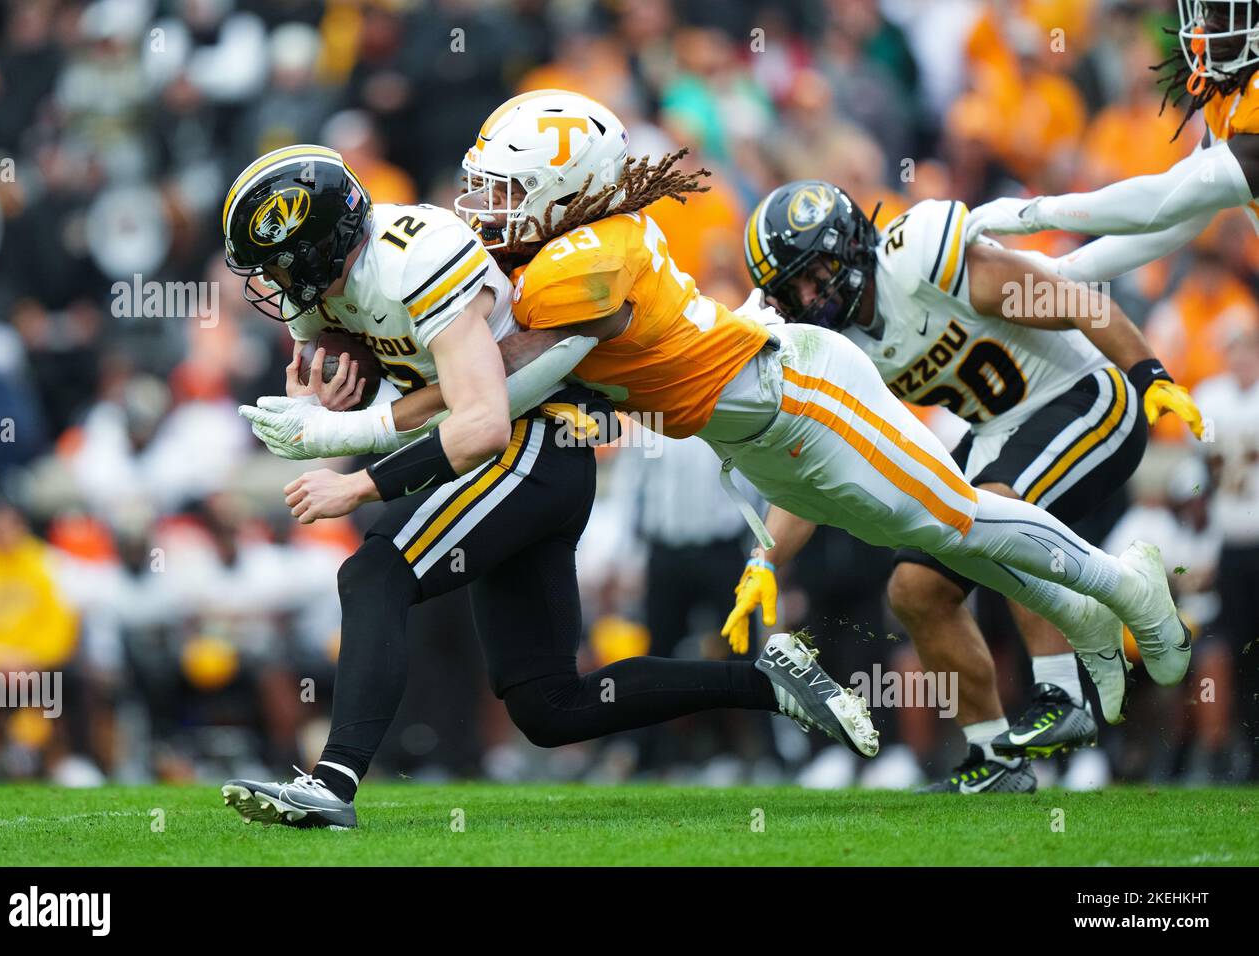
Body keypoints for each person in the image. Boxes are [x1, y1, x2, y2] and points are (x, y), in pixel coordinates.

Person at [258, 92, 1193, 766]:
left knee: (956, 515)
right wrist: (365, 362)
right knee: (928, 536)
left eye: (508, 193)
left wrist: (366, 429)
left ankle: (1129, 591)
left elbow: (491, 392)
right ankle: (1076, 611)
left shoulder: (581, 261)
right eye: (485, 188)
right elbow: (477, 375)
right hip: (748, 442)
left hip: (792, 397)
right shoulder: (546, 252)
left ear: (571, 192)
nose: (485, 210)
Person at [222, 145, 876, 829]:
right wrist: (326, 399)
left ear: (323, 245)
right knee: (549, 705)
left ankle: (333, 784)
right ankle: (770, 683)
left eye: (279, 262)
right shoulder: (334, 281)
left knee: (374, 572)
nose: (273, 281)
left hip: (534, 442)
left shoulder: (412, 259)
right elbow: (367, 370)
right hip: (523, 456)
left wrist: (358, 486)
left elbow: (478, 422)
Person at [736, 179, 1206, 793]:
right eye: (790, 287)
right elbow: (816, 470)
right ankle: (993, 762)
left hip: (1084, 391)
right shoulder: (833, 351)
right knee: (914, 589)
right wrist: (764, 560)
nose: (807, 294)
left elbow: (1071, 300)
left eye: (814, 272)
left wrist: (1149, 374)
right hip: (998, 432)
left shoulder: (917, 262)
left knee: (999, 513)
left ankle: (1061, 691)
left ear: (849, 244)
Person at [964, 1, 1259, 286]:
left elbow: (1162, 202)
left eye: (1225, 15)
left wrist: (1035, 214)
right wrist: (1059, 272)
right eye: (1210, 12)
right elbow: (1180, 220)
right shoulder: (1233, 93)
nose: (1207, 28)